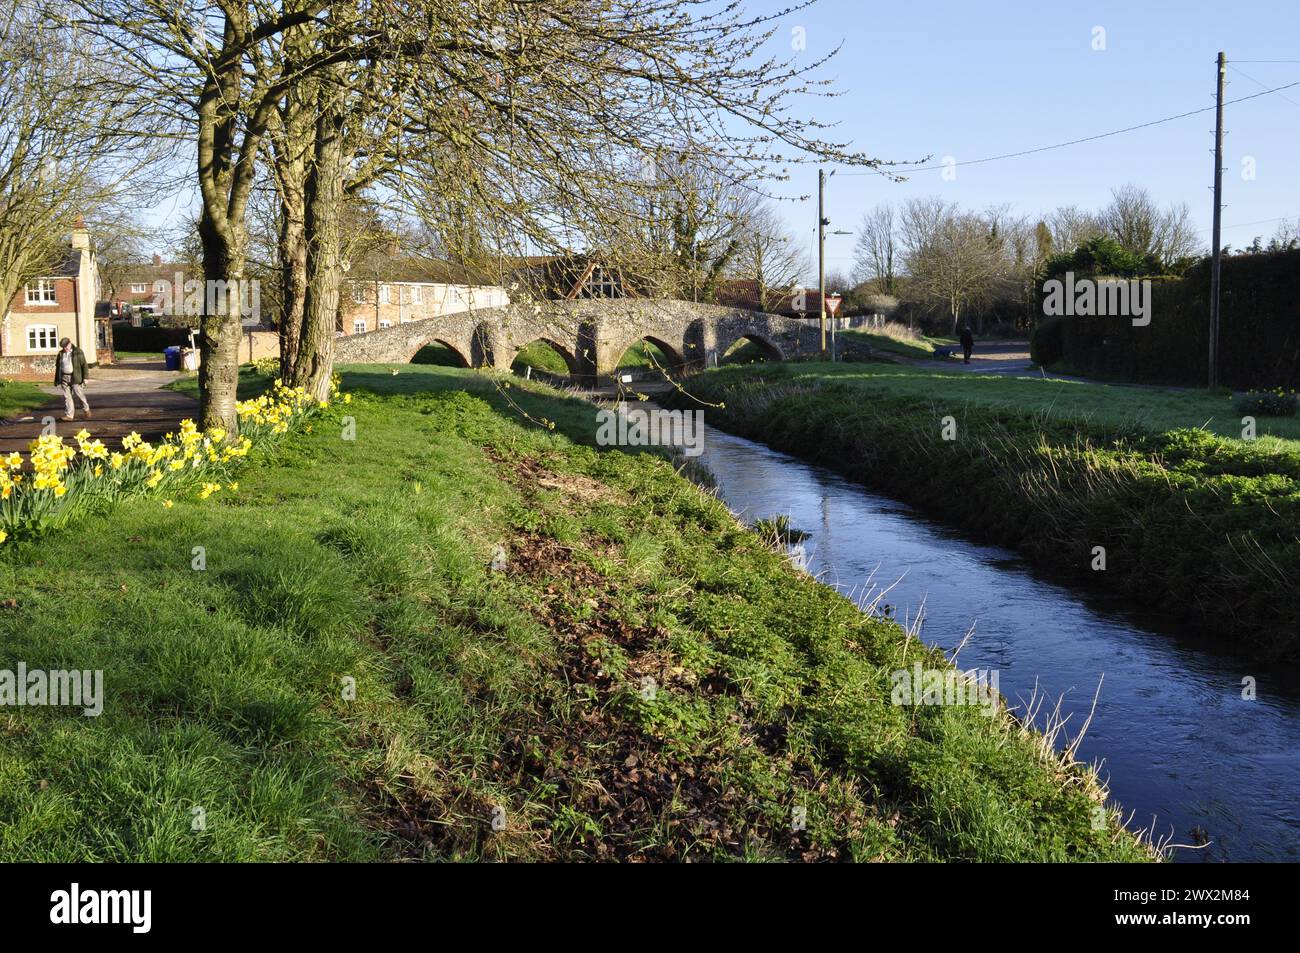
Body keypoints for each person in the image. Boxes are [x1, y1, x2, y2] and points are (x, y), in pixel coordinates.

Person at [54, 337, 91, 421]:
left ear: (70, 343)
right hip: (64, 377)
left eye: (66, 346)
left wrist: (86, 377)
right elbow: (58, 367)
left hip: (75, 377)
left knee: (79, 394)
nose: (65, 348)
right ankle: (69, 415)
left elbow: (84, 365)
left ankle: (86, 408)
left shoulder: (78, 352)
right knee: (67, 397)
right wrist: (57, 379)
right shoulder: (60, 354)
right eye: (63, 347)